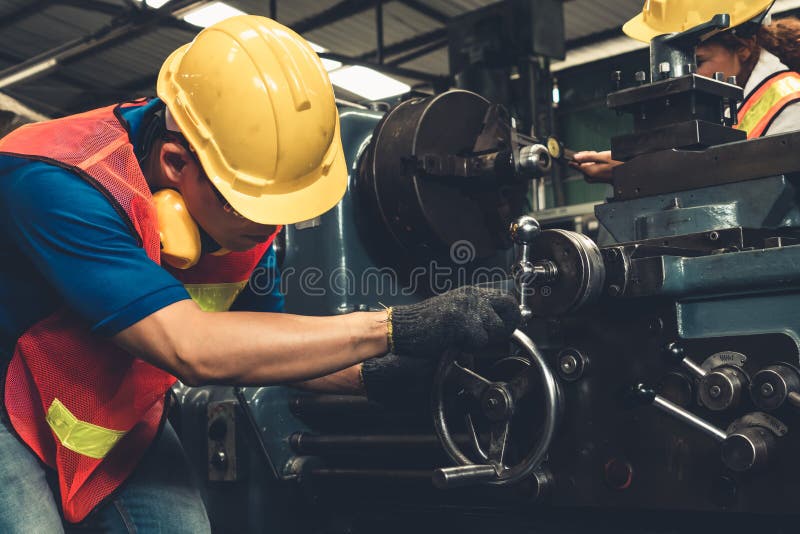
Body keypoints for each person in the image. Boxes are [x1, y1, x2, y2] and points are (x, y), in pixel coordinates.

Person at [0, 15, 521, 533]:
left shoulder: (245, 217)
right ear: (176, 163)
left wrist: (373, 378)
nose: (272, 224)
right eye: (252, 204)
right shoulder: (57, 180)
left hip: (106, 418)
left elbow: (259, 345)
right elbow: (192, 346)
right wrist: (390, 329)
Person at [572, 0, 800, 183]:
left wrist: (646, 173)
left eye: (697, 61)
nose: (683, 77)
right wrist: (639, 168)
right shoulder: (731, 104)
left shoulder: (791, 106)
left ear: (743, 48)